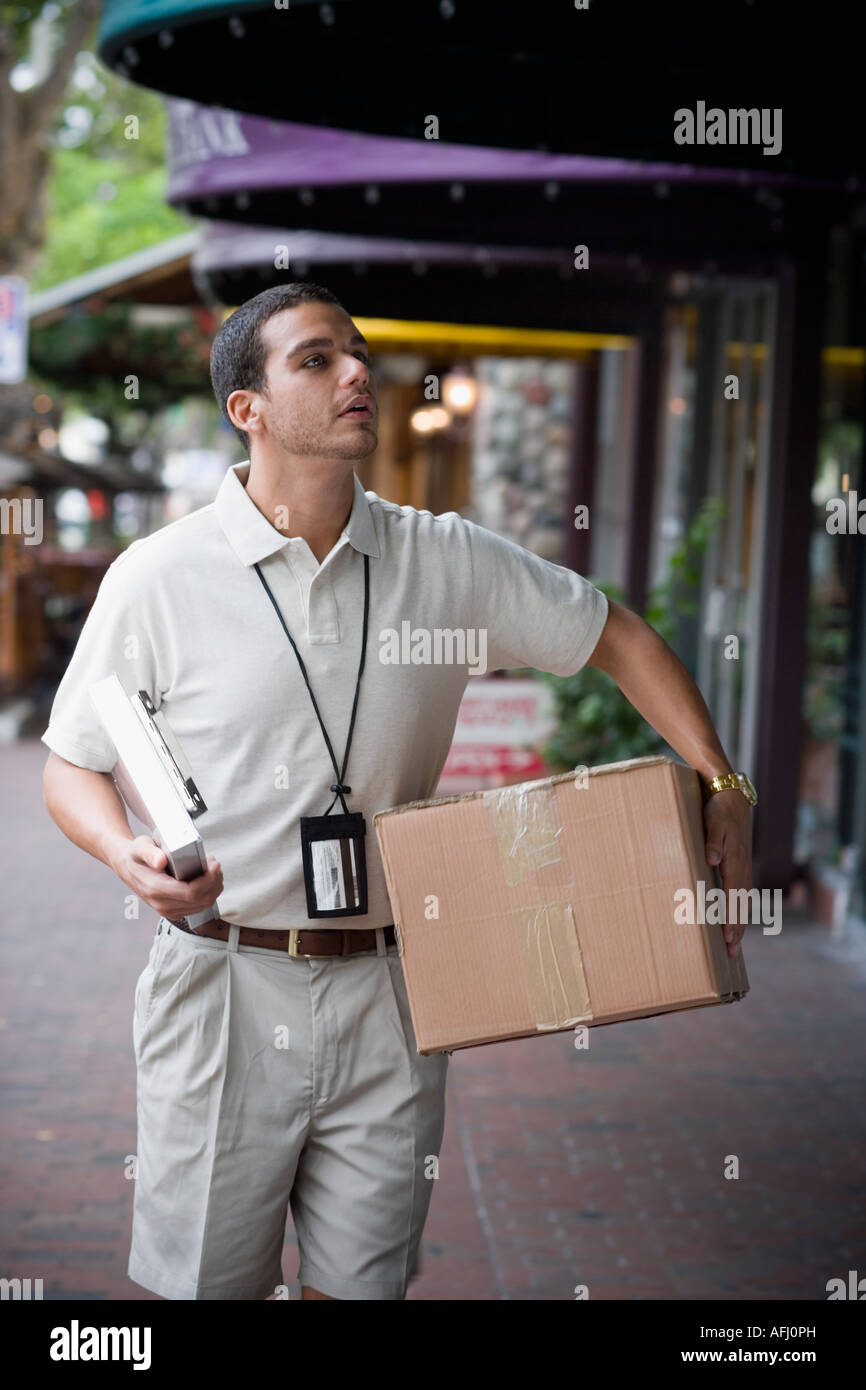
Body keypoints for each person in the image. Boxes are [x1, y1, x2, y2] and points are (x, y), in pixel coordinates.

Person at [41, 282, 753, 1301]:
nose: (357, 373)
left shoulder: (444, 558)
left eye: (358, 354)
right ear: (247, 408)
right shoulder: (159, 576)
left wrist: (719, 778)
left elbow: (619, 637)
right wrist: (126, 856)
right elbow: (72, 759)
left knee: (363, 1290)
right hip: (222, 984)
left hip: (396, 983)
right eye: (316, 359)